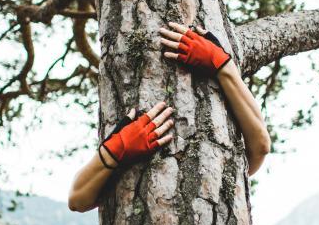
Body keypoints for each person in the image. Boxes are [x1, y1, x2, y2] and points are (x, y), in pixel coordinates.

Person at [68, 22, 270, 212]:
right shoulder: (225, 168)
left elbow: (77, 199)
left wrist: (116, 150)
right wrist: (225, 68)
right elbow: (77, 200)